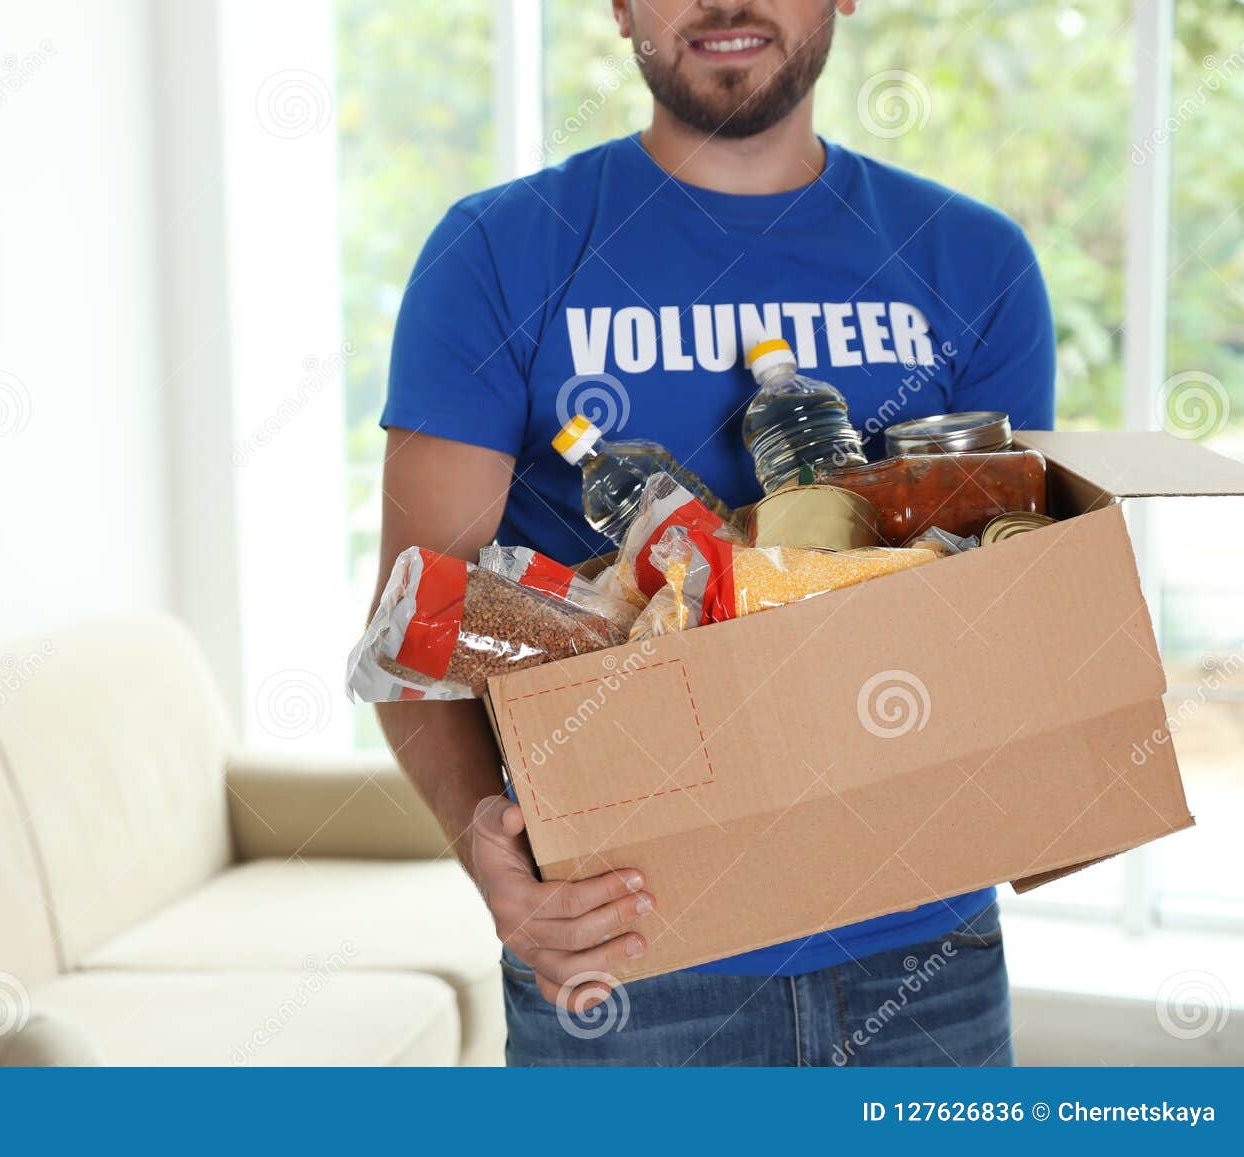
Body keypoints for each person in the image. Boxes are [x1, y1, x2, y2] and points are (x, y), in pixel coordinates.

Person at [372, 0, 1052, 1066]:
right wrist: (492, 863)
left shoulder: (971, 261)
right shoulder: (499, 253)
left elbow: (1017, 588)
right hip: (630, 943)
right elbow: (419, 619)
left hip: (924, 947)